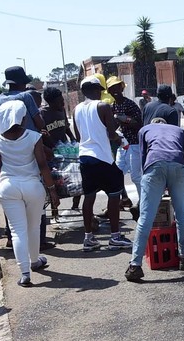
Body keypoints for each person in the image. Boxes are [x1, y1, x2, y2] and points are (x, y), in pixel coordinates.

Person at [0, 100, 59, 287]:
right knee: (34, 226)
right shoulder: (33, 136)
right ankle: (35, 261)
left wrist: (4, 181)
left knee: (17, 231)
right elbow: (43, 165)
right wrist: (52, 191)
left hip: (8, 186)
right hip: (32, 186)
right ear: (20, 117)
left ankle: (25, 273)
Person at [124, 121, 184, 281]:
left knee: (145, 218)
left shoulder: (144, 129)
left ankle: (135, 266)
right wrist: (180, 172)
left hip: (154, 168)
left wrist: (159, 180)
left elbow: (144, 158)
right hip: (179, 168)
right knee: (181, 216)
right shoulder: (179, 130)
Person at [72, 76, 132, 252]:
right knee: (114, 195)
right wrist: (119, 138)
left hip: (84, 157)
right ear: (98, 90)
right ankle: (114, 237)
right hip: (103, 157)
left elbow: (77, 137)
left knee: (88, 197)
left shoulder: (76, 109)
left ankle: (88, 238)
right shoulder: (103, 106)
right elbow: (112, 133)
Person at [106, 76, 143, 214]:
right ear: (109, 91)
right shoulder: (113, 106)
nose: (115, 90)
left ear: (122, 88)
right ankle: (120, 202)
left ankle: (143, 203)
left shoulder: (130, 104)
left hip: (134, 144)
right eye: (112, 88)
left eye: (117, 87)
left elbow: (139, 124)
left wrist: (124, 119)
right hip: (122, 144)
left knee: (136, 176)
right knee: (117, 174)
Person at [40, 87, 79, 211]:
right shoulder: (42, 114)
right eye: (59, 101)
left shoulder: (61, 110)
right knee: (54, 183)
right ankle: (54, 210)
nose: (63, 103)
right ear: (50, 102)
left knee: (76, 179)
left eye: (62, 100)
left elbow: (66, 128)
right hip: (51, 153)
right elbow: (41, 134)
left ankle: (75, 206)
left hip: (65, 150)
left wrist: (74, 140)